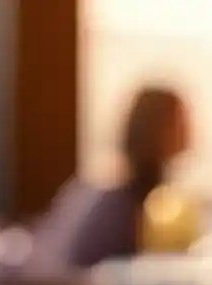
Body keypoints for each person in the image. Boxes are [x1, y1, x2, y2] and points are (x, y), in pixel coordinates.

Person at [27, 87, 192, 271]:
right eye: (179, 122)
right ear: (156, 128)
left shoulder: (140, 195)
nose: (189, 131)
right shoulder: (118, 200)